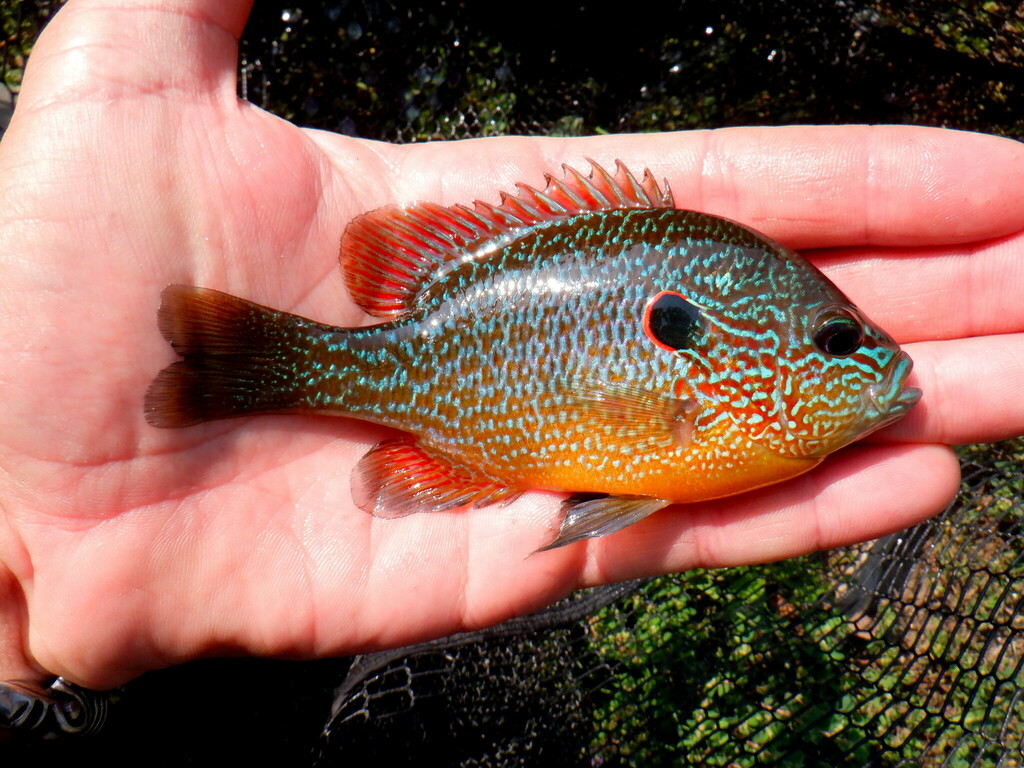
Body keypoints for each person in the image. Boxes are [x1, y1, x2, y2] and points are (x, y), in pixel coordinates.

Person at [0, 0, 1021, 696]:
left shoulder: (741, 415)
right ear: (748, 360)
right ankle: (272, 365)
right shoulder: (713, 413)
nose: (877, 364)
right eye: (838, 340)